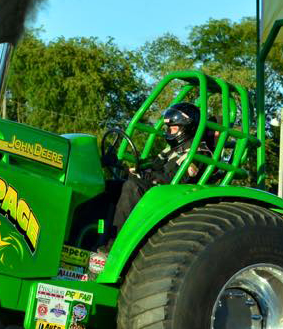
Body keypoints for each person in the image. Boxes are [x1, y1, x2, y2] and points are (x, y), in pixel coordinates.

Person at [89, 103, 212, 273]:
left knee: (131, 188)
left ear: (187, 128)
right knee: (111, 187)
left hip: (169, 197)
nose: (168, 132)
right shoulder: (172, 150)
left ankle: (112, 249)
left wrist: (141, 176)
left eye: (173, 128)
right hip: (155, 189)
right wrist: (127, 169)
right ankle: (90, 241)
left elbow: (175, 180)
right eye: (168, 128)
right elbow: (152, 167)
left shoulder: (198, 154)